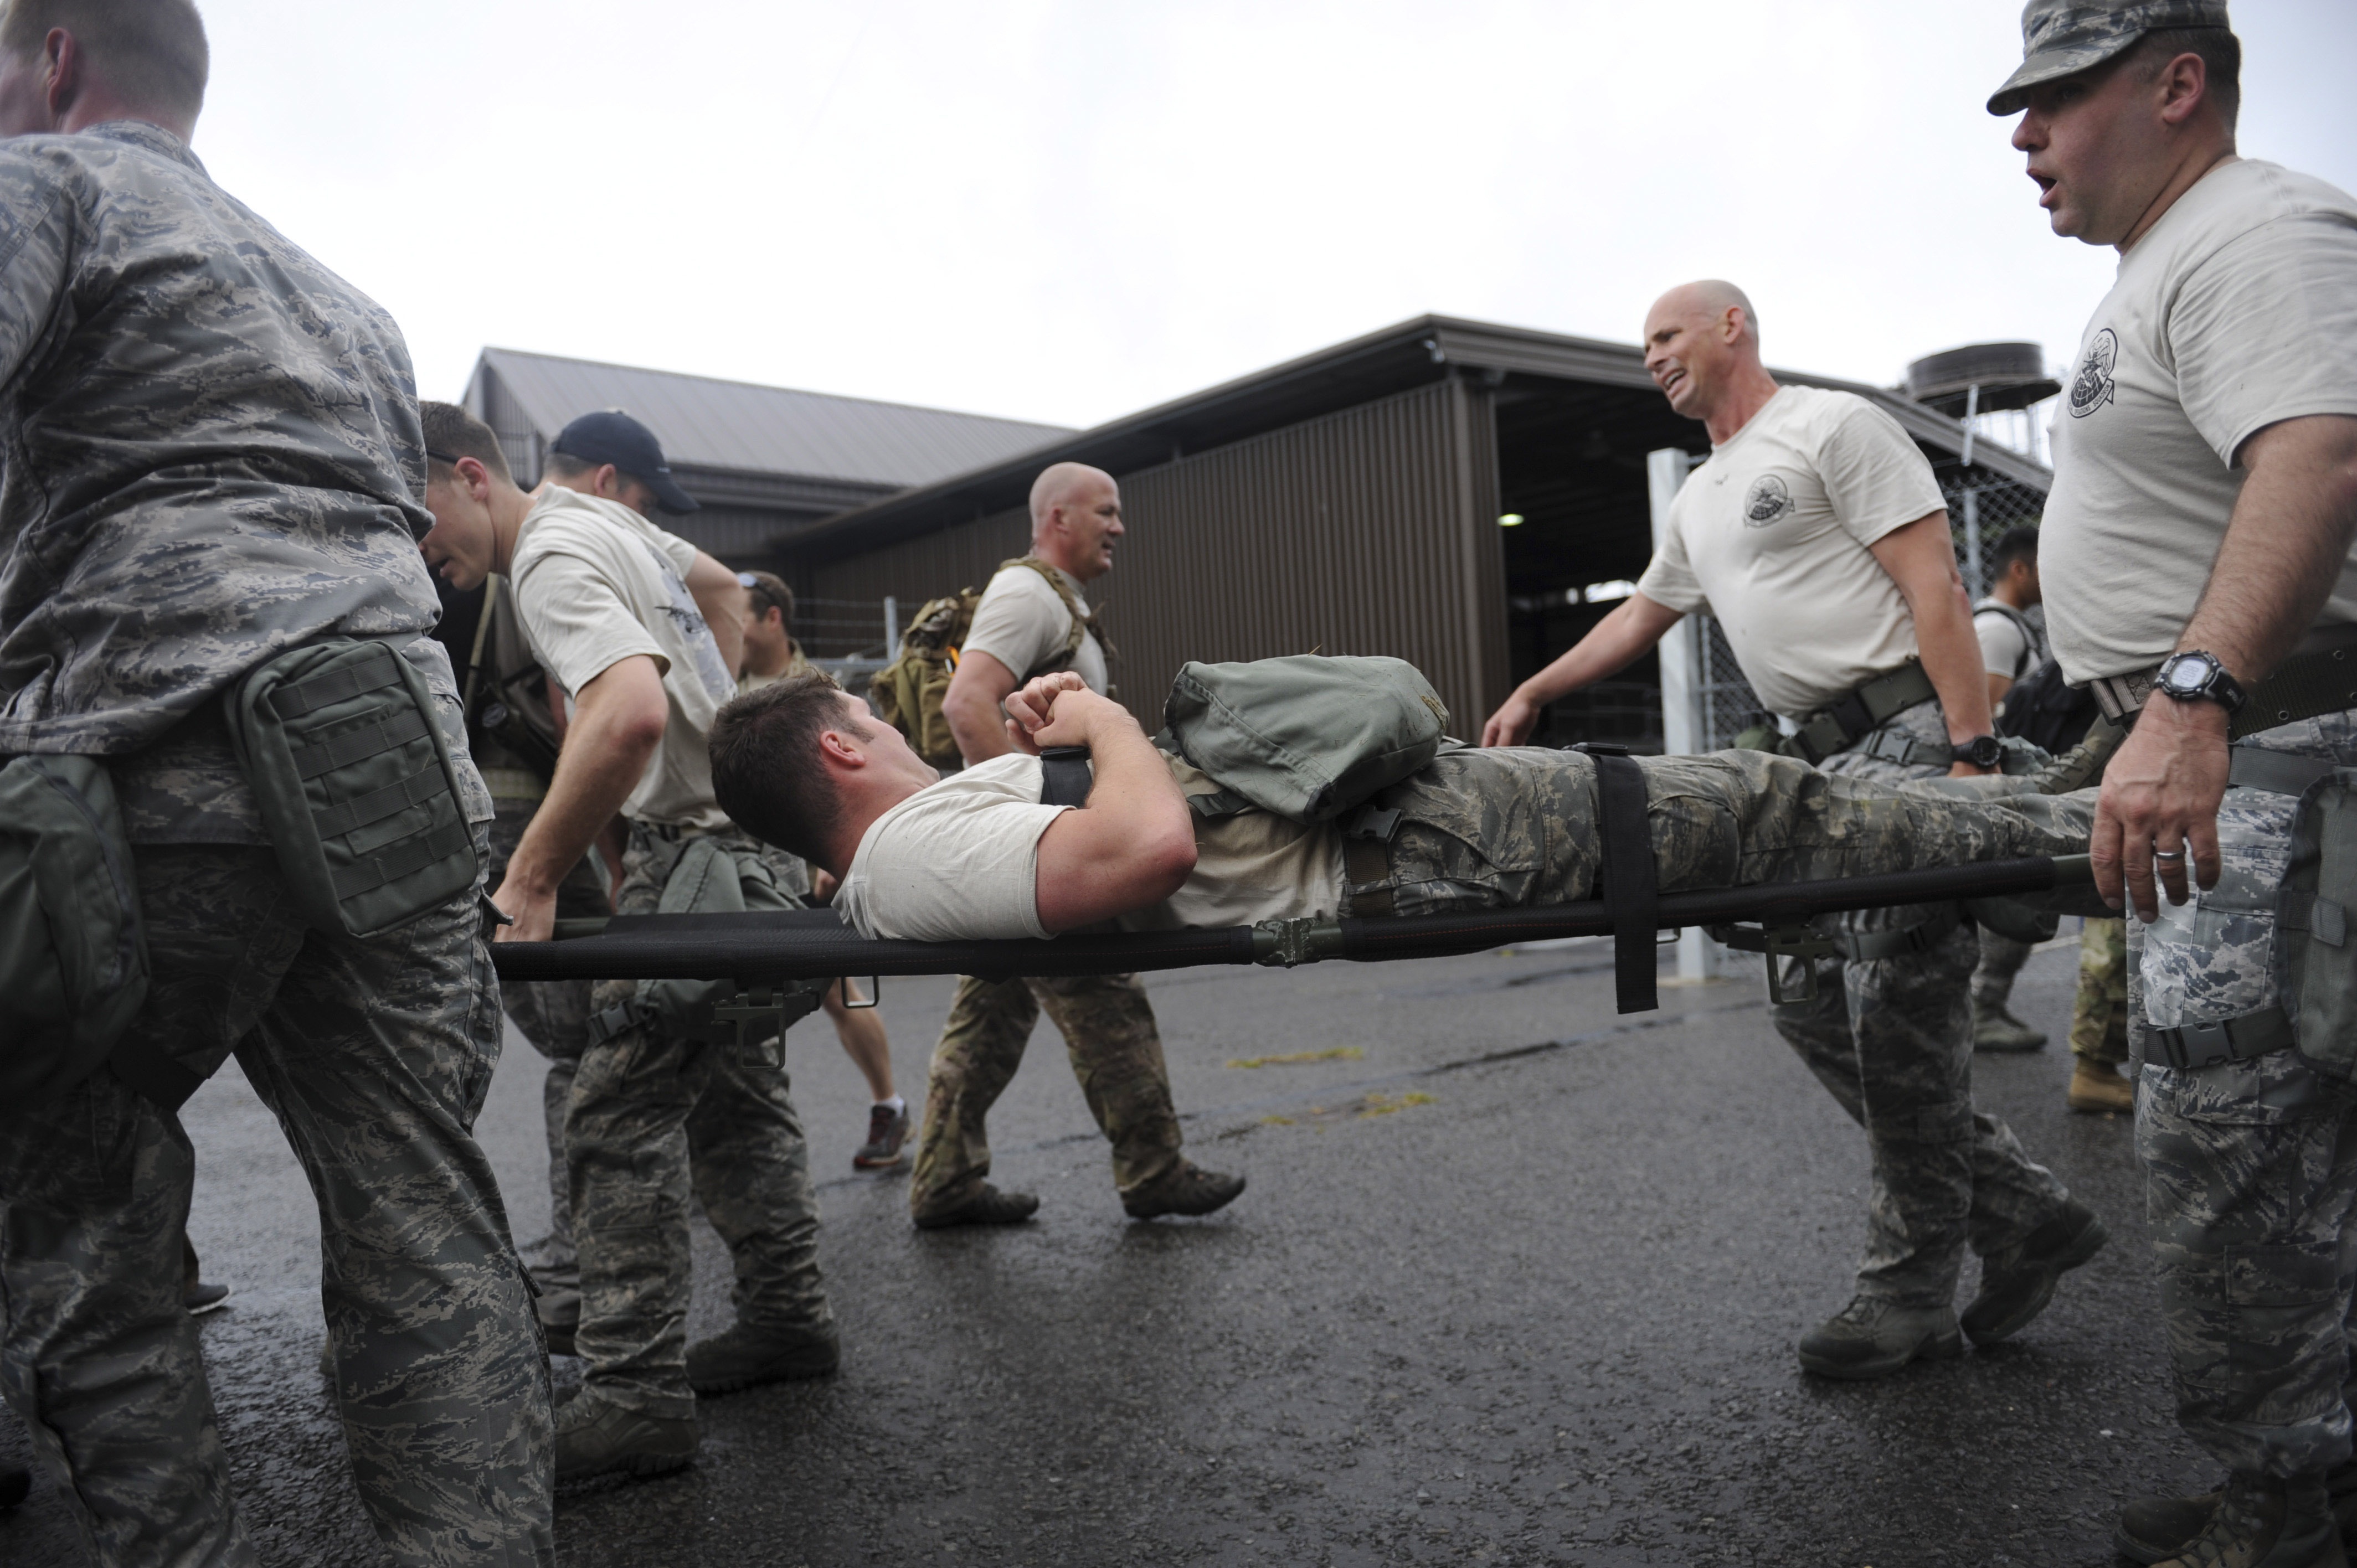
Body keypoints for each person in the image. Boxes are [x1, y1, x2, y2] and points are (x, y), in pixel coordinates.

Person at [0, 7, 552, 1565]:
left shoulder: (49, 191)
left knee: (77, 1167)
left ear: (51, 61)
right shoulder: (349, 300)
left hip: (169, 748)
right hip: (393, 769)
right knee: (421, 1212)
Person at [1480, 281, 2099, 1381]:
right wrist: (1535, 688)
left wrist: (1968, 757)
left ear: (1732, 327)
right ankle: (2024, 1214)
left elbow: (1932, 582)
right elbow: (1643, 610)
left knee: (1893, 1009)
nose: (1651, 358)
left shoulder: (1828, 425)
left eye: (1665, 336)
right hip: (1821, 764)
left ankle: (1908, 1290)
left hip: (1908, 736)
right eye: (1643, 346)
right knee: (1807, 999)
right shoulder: (1701, 497)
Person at [1991, 3, 2357, 1561]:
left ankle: (2291, 1519)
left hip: (2270, 737)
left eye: (2057, 103)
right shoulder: (2163, 262)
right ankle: (2299, 1481)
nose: (2027, 138)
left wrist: (2196, 696)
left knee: (2227, 1150)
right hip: (2217, 737)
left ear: (2179, 83)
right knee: (2263, 1151)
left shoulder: (2255, 231)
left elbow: (2322, 453)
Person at [419, 402, 838, 1485]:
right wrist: (732, 721)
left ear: (471, 475)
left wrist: (532, 873)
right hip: (741, 847)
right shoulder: (618, 527)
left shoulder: (550, 551)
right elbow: (728, 594)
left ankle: (634, 1397)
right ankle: (790, 1317)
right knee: (738, 1097)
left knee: (615, 1113)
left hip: (694, 857)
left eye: (417, 517)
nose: (419, 551)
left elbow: (628, 716)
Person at [911, 463, 1244, 1228]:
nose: (1119, 526)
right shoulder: (1029, 594)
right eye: (1107, 511)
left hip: (1016, 854)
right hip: (1035, 851)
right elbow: (969, 703)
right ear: (1058, 517)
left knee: (989, 1013)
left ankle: (943, 1182)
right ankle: (1154, 1170)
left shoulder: (1057, 601)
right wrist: (1031, 821)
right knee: (1103, 993)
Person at [734, 568, 913, 1169]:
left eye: (740, 614)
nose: (728, 625)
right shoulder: (721, 681)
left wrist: (839, 857)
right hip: (741, 861)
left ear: (772, 619)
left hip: (805, 863)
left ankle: (889, 1104)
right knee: (735, 987)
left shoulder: (817, 695)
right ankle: (729, 1142)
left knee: (835, 989)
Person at [1970, 527, 2054, 1053]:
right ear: (2020, 569)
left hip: (2015, 786)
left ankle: (1986, 1006)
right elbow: (1984, 717)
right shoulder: (1998, 630)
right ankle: (1979, 1008)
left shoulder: (2012, 627)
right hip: (2001, 790)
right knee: (2014, 898)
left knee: (2023, 898)